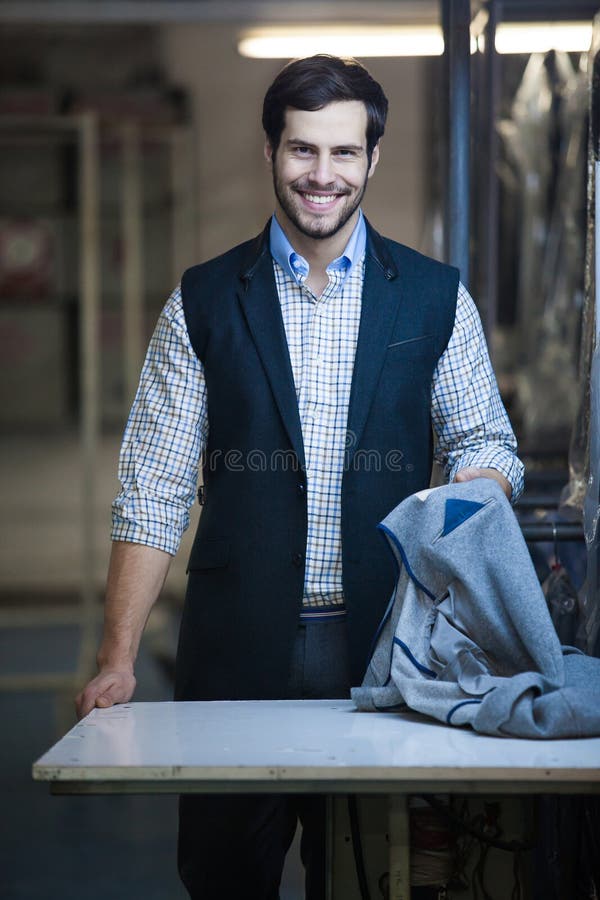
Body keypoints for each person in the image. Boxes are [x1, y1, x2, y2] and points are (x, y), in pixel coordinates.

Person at [76, 54, 524, 900]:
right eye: (302, 151)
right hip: (236, 647)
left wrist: (447, 520)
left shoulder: (433, 298)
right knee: (225, 877)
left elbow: (489, 447)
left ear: (373, 159)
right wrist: (117, 659)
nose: (323, 176)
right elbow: (155, 486)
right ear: (272, 153)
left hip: (388, 649)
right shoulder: (204, 301)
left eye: (343, 153)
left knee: (365, 872)